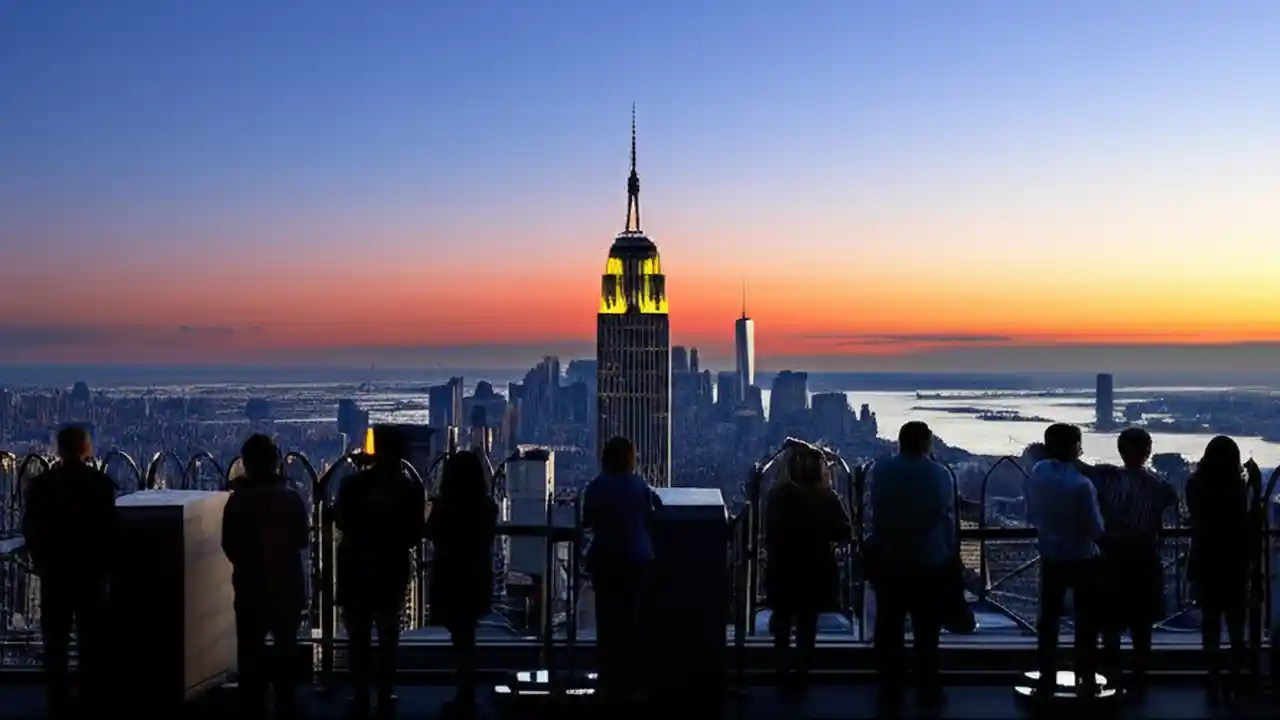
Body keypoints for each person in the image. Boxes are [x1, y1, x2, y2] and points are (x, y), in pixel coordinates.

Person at [22, 425, 119, 717]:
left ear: (59, 449)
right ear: (86, 449)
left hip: (54, 574)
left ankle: (57, 699)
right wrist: (106, 567)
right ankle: (92, 697)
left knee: (56, 642)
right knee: (92, 640)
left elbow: (31, 529)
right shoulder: (100, 485)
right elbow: (110, 532)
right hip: (90, 574)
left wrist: (41, 562)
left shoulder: (40, 486)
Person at [336, 425, 426, 717]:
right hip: (391, 569)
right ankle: (386, 695)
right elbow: (415, 534)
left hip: (355, 569)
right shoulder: (410, 490)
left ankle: (360, 695)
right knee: (389, 638)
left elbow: (342, 521)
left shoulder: (353, 485)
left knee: (358, 637)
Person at [1078, 428, 1177, 690]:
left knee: (1110, 620)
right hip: (1144, 558)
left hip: (1112, 557)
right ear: (1148, 451)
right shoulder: (1160, 488)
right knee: (1142, 622)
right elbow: (1167, 510)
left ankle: (1111, 674)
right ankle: (1140, 675)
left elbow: (1082, 469)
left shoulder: (1106, 479)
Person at [221, 434, 309, 719]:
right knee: (286, 646)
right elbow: (301, 540)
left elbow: (229, 545)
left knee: (250, 651)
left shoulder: (237, 503)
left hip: (250, 587)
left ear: (246, 464)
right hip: (286, 585)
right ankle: (287, 703)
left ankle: (253, 706)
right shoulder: (291, 499)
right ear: (277, 463)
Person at [867, 422, 954, 704]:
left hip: (889, 557)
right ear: (927, 443)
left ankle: (889, 684)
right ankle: (927, 684)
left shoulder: (881, 469)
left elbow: (877, 507)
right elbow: (943, 513)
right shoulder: (939, 474)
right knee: (927, 630)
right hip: (928, 559)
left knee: (889, 625)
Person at [1025, 423, 1105, 699]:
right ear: (1075, 448)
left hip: (1049, 553)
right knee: (1087, 620)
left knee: (1048, 620)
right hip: (1081, 557)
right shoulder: (1081, 485)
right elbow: (1095, 528)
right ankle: (1086, 674)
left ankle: (1047, 673)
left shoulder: (1039, 472)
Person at [765, 444, 851, 689]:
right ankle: (802, 673)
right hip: (816, 569)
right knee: (807, 623)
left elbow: (769, 530)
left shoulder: (777, 496)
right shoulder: (827, 497)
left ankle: (780, 670)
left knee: (782, 620)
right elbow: (844, 531)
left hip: (782, 567)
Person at [582, 436, 659, 702]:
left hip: (606, 560)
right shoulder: (639, 485)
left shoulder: (597, 487)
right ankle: (631, 678)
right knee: (632, 618)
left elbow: (587, 520)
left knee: (608, 619)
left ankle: (610, 675)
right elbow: (650, 516)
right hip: (637, 560)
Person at [425, 451, 498, 717]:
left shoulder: (447, 507)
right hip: (476, 574)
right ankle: (466, 691)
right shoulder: (487, 507)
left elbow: (431, 532)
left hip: (451, 574)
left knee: (460, 636)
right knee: (467, 634)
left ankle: (464, 692)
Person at [1186, 435, 1258, 699]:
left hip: (1206, 558)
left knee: (1210, 621)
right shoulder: (1239, 489)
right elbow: (1248, 523)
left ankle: (1213, 674)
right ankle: (1238, 676)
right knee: (1237, 623)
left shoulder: (1195, 486)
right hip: (1235, 561)